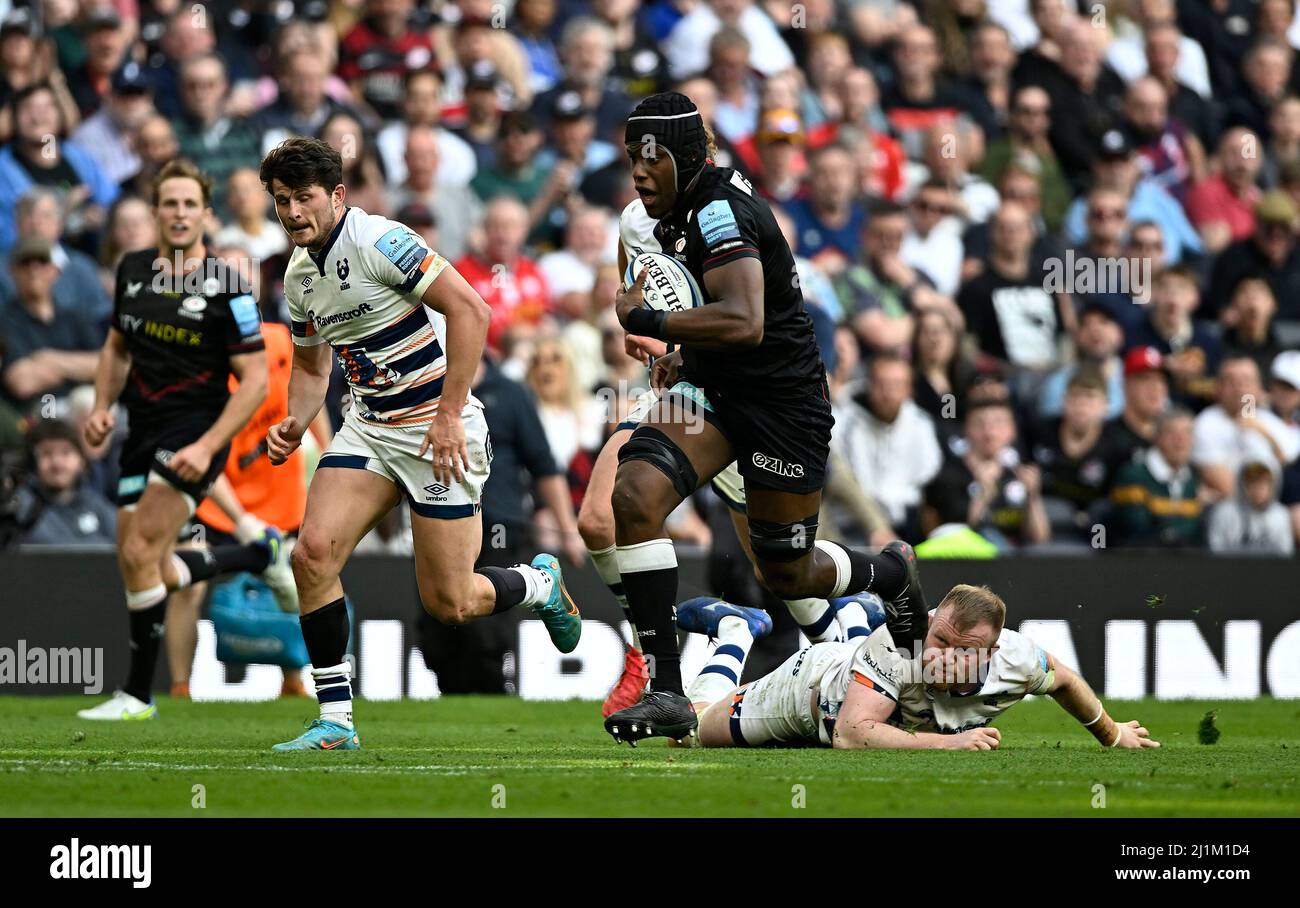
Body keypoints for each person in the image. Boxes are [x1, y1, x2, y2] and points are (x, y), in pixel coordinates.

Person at [605, 93, 930, 744]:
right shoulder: (650, 219)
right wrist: (677, 353)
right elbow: (680, 304)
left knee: (788, 571)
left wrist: (648, 322)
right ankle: (668, 691)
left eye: (652, 159)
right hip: (716, 393)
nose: (639, 173)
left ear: (686, 159)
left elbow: (745, 321)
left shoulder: (721, 212)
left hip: (786, 405)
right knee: (633, 496)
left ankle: (891, 572)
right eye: (632, 159)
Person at [259, 137, 581, 751]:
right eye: (281, 202)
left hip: (439, 430)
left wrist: (451, 414)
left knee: (452, 603)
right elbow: (309, 367)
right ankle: (335, 722)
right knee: (312, 556)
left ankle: (539, 587)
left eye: (303, 199)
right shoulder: (300, 278)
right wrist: (297, 423)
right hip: (371, 429)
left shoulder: (382, 240)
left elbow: (472, 312)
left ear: (336, 196)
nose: (293, 213)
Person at [77, 159, 296, 721]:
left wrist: (208, 445)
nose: (178, 214)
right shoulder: (131, 270)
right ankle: (255, 551)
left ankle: (136, 696)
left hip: (197, 431)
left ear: (206, 213)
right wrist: (101, 406)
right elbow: (116, 349)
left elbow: (254, 381)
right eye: (168, 203)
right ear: (155, 213)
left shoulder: (229, 285)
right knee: (137, 564)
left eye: (188, 204)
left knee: (141, 552)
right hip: (141, 429)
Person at [676, 584, 1159, 750]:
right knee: (691, 729)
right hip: (811, 695)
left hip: (864, 679)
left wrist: (1112, 733)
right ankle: (736, 632)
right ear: (930, 622)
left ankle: (851, 617)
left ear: (990, 655)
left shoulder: (1017, 658)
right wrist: (952, 744)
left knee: (869, 664)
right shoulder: (901, 643)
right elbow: (852, 734)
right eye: (940, 638)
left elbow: (1067, 682)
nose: (943, 655)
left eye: (962, 650)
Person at [1110, 407, 1206, 548]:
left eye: (1187, 433)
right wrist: (1174, 532)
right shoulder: (1133, 475)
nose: (1180, 441)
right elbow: (1137, 527)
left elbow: (1196, 533)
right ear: (1157, 437)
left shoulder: (1193, 478)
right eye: (1171, 433)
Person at [15, 417, 117, 546]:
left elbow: (126, 543)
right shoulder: (21, 508)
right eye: (47, 454)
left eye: (65, 453)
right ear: (32, 463)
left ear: (82, 461)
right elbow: (48, 549)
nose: (57, 463)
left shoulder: (95, 503)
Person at [1207, 460, 1294, 555]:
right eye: (1252, 482)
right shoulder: (1223, 513)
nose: (1258, 489)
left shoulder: (1281, 515)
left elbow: (1285, 555)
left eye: (1264, 483)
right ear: (1242, 484)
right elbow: (1215, 551)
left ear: (1274, 485)